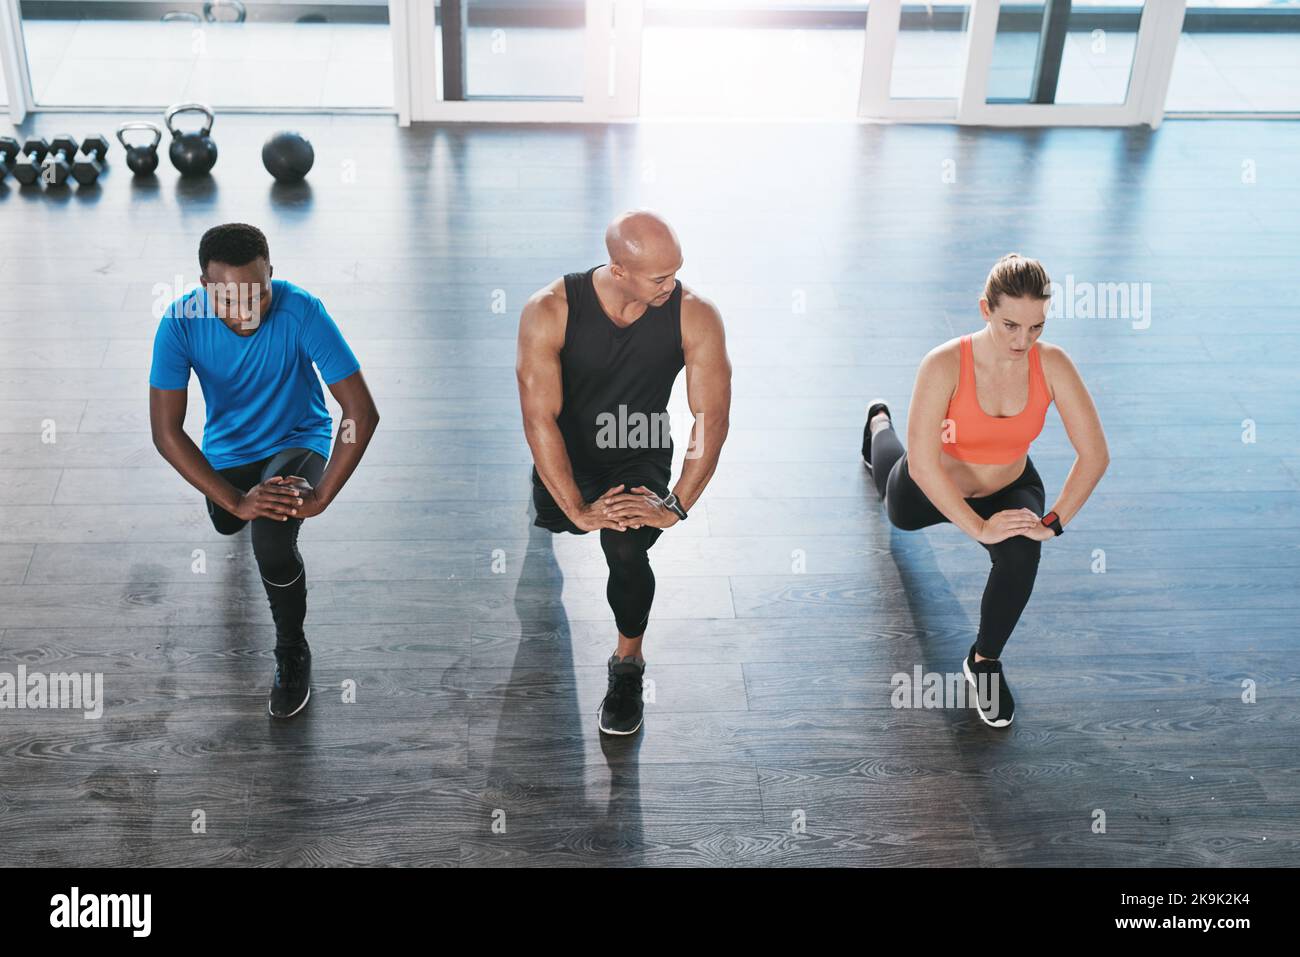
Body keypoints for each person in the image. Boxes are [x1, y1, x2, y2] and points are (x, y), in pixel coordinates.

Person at [862, 253, 1108, 727]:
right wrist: (978, 526)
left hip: (1010, 483)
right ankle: (877, 425)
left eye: (1036, 327)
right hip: (931, 483)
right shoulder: (944, 364)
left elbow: (1095, 454)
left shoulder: (1053, 364)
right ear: (985, 310)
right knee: (895, 504)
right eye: (1011, 325)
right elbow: (926, 465)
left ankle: (984, 661)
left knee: (1020, 554)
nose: (1024, 340)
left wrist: (1053, 522)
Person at [148, 223, 380, 718]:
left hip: (297, 439)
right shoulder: (179, 322)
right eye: (230, 301)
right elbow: (166, 432)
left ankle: (291, 649)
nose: (247, 313)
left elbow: (360, 411)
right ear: (205, 288)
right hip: (229, 453)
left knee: (271, 540)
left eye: (259, 293)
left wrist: (321, 496)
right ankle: (233, 505)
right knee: (229, 521)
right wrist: (234, 499)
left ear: (272, 274)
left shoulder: (301, 309)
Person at [516, 210, 732, 735]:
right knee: (554, 515)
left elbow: (710, 419)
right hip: (569, 447)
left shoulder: (695, 315)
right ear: (618, 270)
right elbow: (538, 417)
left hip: (639, 447)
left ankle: (628, 662)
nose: (673, 285)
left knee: (626, 544)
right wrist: (575, 508)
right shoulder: (550, 310)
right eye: (660, 277)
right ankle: (544, 495)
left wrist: (677, 503)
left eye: (676, 272)